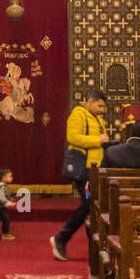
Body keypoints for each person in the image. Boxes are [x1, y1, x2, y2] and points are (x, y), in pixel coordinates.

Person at [50, 89, 109, 262]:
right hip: (83, 170)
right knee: (89, 203)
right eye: (99, 106)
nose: (102, 110)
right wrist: (98, 140)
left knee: (90, 206)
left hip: (94, 170)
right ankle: (61, 238)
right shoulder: (78, 114)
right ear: (90, 101)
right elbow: (73, 137)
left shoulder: (97, 119)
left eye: (104, 107)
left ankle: (95, 249)